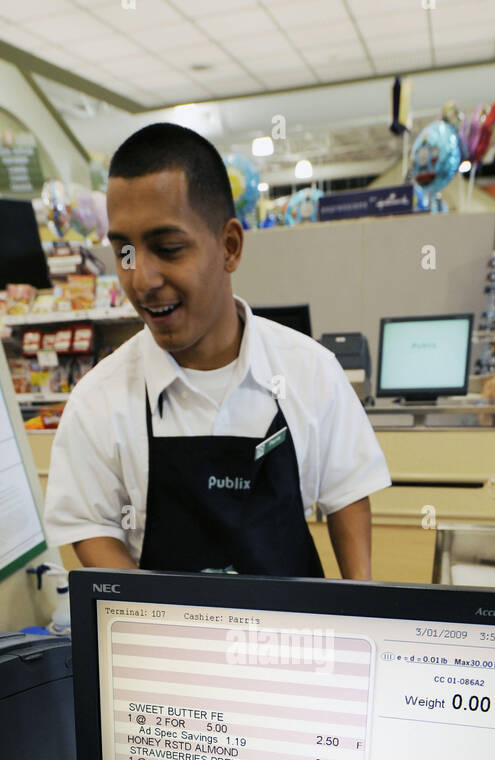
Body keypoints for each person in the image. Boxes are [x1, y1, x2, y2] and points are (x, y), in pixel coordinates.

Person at [43, 123, 391, 579]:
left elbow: (347, 492)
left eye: (167, 248)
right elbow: (91, 524)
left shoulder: (309, 371)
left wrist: (358, 609)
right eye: (124, 251)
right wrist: (156, 620)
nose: (141, 279)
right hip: (167, 642)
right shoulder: (98, 401)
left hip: (296, 638)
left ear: (229, 247)